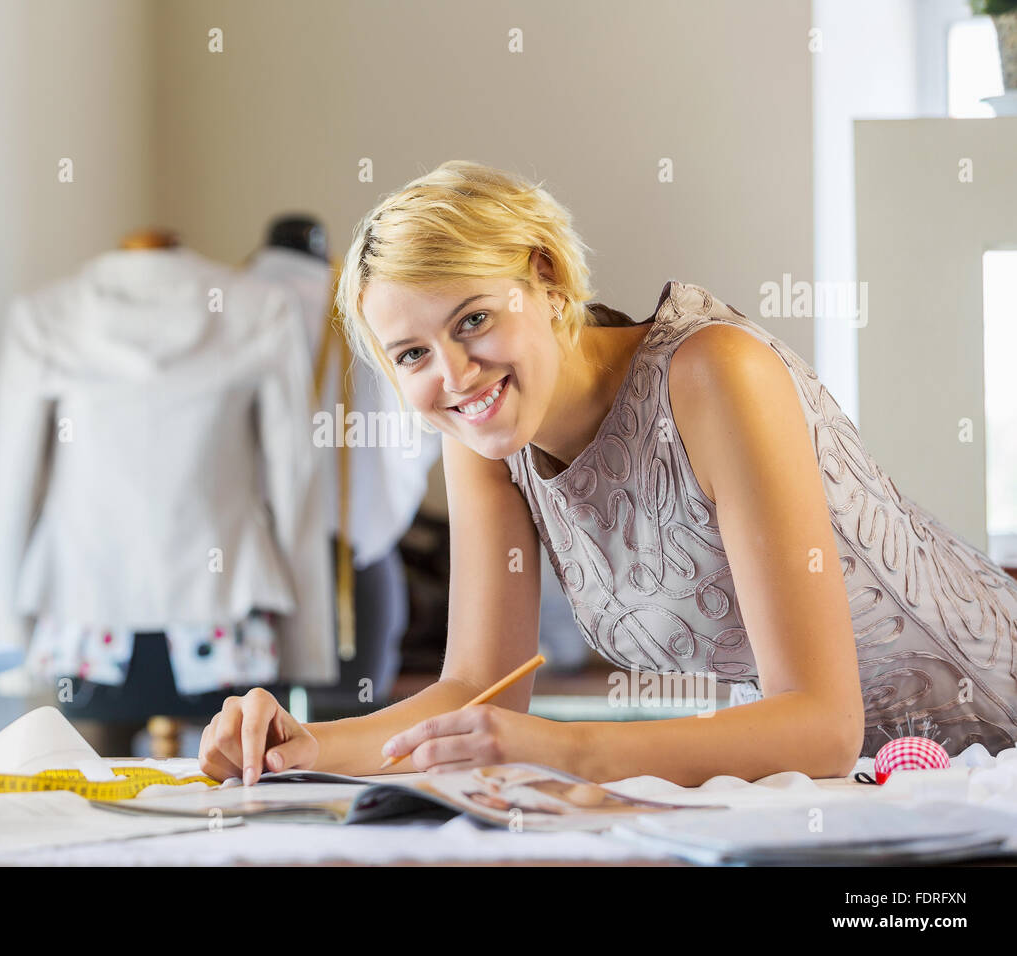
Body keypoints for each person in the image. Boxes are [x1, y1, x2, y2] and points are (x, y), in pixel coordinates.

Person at [198, 160, 1017, 787]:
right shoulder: (487, 435)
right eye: (412, 355)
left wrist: (566, 749)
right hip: (856, 794)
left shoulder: (714, 375)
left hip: (994, 749)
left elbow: (821, 727)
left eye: (473, 318)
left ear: (547, 279)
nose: (454, 374)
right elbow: (479, 690)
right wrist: (303, 748)